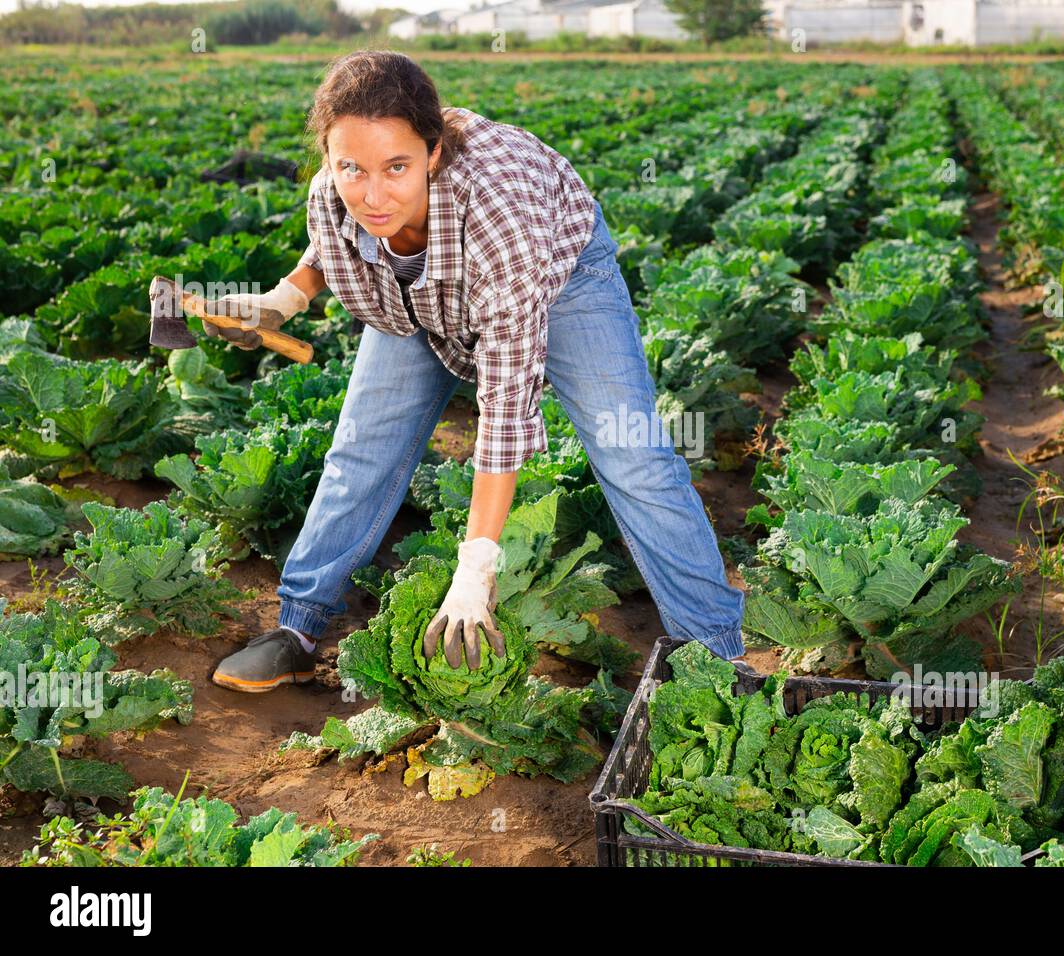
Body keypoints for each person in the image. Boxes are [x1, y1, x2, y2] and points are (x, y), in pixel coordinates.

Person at [206, 50, 744, 693]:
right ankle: (296, 627)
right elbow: (332, 246)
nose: (373, 194)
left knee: (634, 454)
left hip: (560, 274)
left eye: (397, 167)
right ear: (328, 157)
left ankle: (714, 656)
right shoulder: (336, 189)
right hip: (413, 293)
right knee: (360, 449)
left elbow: (505, 407)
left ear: (433, 153)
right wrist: (278, 301)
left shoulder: (499, 207)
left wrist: (476, 567)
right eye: (350, 167)